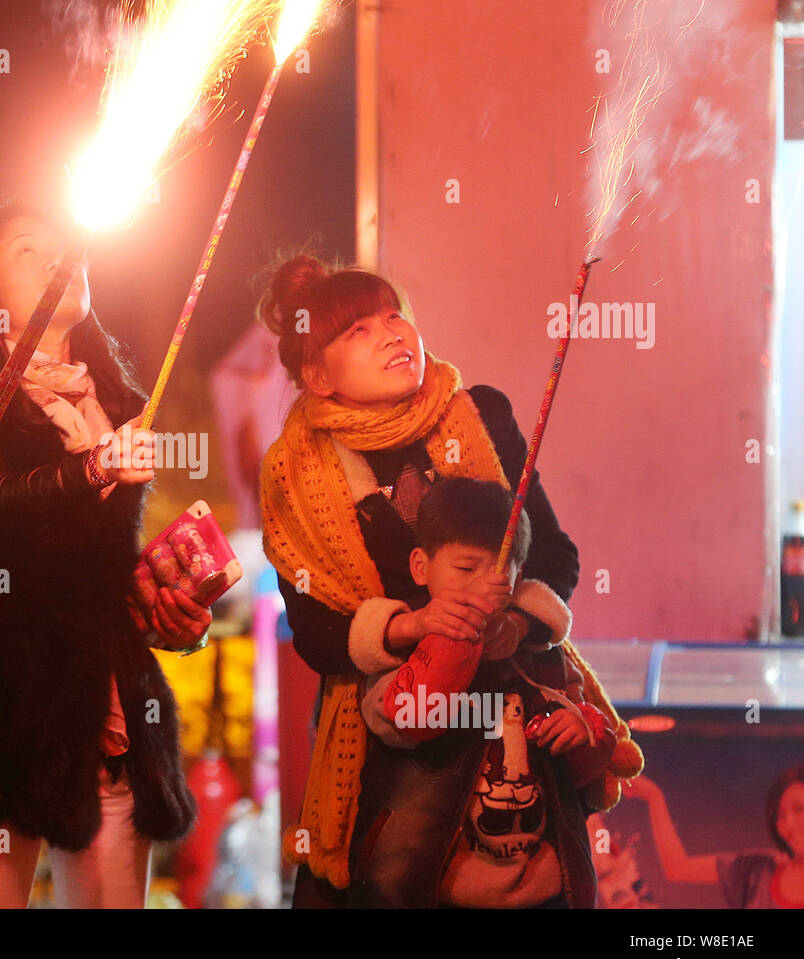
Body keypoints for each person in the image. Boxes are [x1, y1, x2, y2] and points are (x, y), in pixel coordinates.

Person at [256, 254, 641, 907]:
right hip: (393, 736)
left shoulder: (481, 413)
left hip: (511, 716)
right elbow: (317, 634)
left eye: (394, 314)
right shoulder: (295, 472)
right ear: (317, 375)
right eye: (359, 331)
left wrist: (511, 623)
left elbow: (554, 555)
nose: (391, 333)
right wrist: (415, 625)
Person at [0, 203, 206, 908]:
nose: (59, 257)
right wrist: (94, 468)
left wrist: (170, 610)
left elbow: (100, 572)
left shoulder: (117, 403)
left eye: (65, 246)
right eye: (29, 251)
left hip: (110, 714)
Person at [356, 476, 616, 907]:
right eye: (465, 569)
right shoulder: (400, 657)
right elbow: (415, 717)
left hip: (543, 888)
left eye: (501, 574)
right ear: (421, 567)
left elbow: (588, 770)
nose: (484, 585)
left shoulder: (540, 657)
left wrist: (580, 733)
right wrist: (454, 638)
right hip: (441, 888)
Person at [623, 767, 804, 908]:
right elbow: (678, 867)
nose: (789, 824)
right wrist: (654, 797)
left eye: (799, 809)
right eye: (780, 815)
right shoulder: (758, 872)